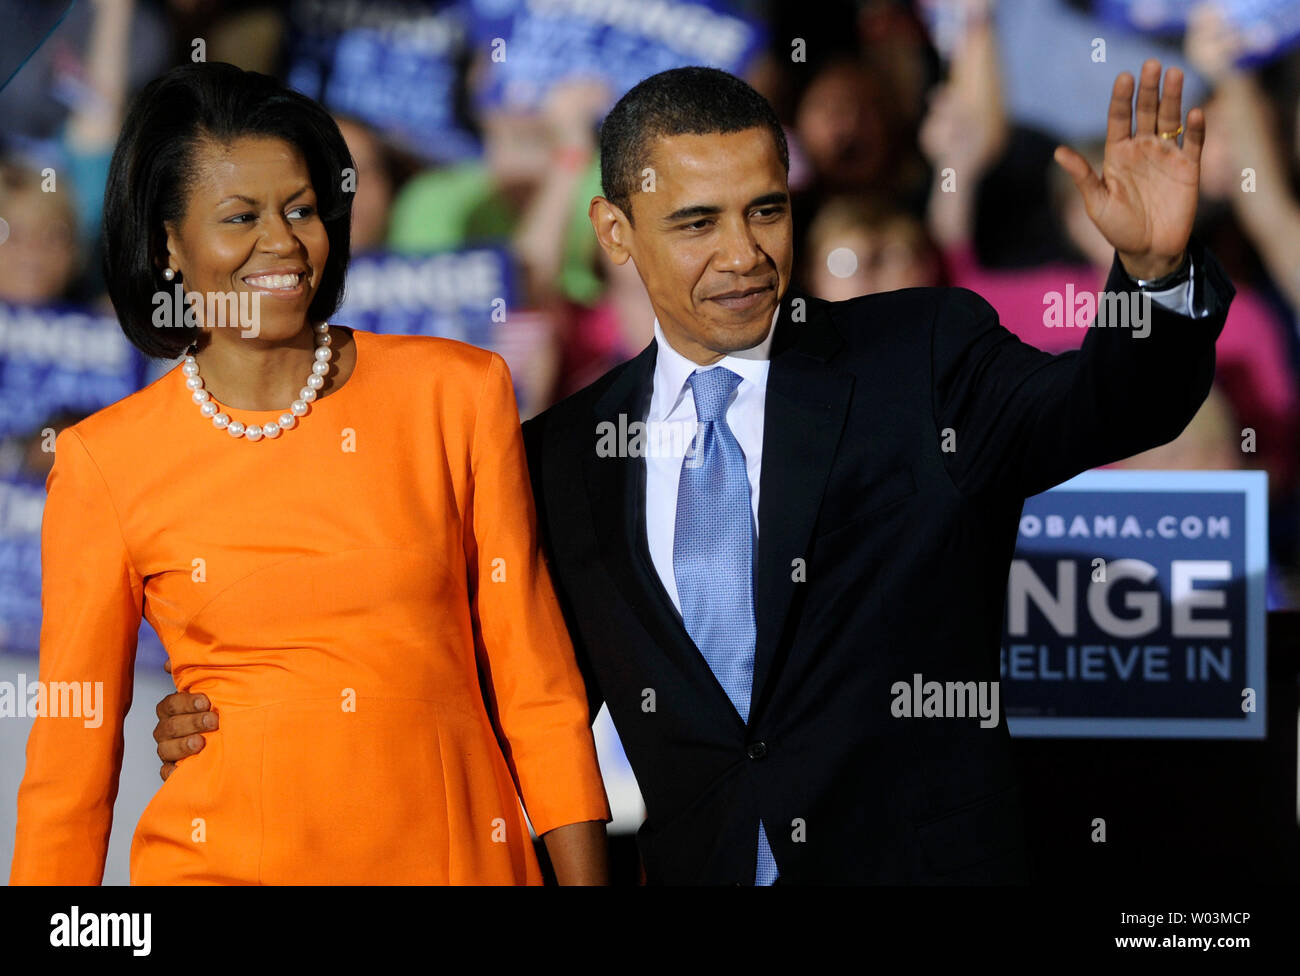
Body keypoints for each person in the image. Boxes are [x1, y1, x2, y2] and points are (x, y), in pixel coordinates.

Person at [156, 62, 1234, 884]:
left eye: (766, 209)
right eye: (696, 222)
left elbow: (1108, 405)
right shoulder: (560, 459)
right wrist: (244, 719)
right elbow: (478, 693)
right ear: (614, 233)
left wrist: (1152, 276)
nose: (745, 252)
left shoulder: (921, 355)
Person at [10, 61, 610, 885]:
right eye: (240, 216)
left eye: (300, 208)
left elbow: (536, 681)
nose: (284, 243)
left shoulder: (457, 393)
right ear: (167, 247)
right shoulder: (105, 461)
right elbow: (67, 764)